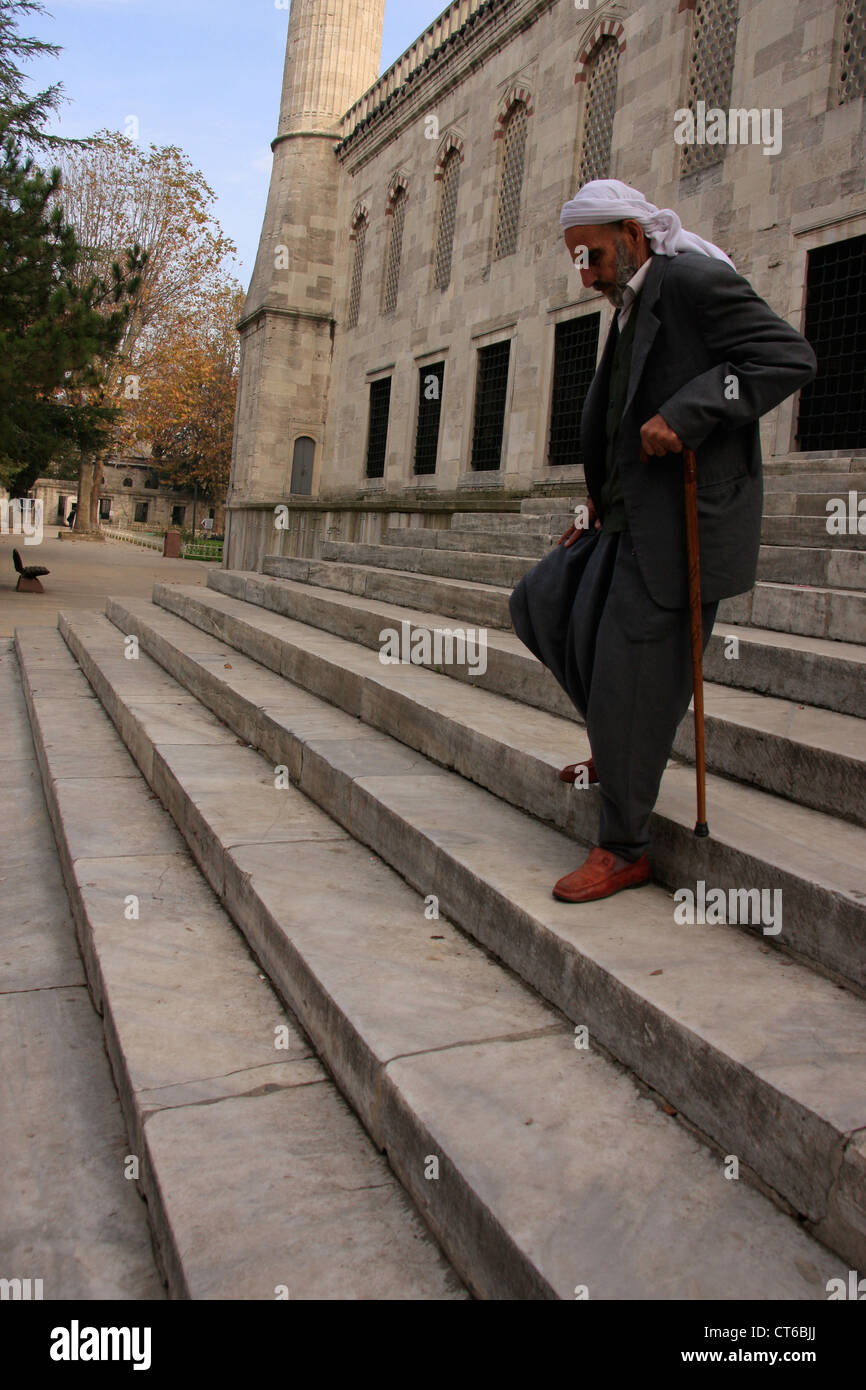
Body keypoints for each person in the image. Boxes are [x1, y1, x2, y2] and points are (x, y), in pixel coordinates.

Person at [509, 179, 817, 904]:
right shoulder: (630, 301)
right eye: (576, 261)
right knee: (542, 606)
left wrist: (689, 412)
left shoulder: (690, 282)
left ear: (633, 235)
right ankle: (620, 751)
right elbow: (619, 415)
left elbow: (788, 358)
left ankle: (625, 847)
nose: (583, 275)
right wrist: (594, 503)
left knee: (631, 673)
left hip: (682, 527)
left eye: (590, 257)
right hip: (621, 518)